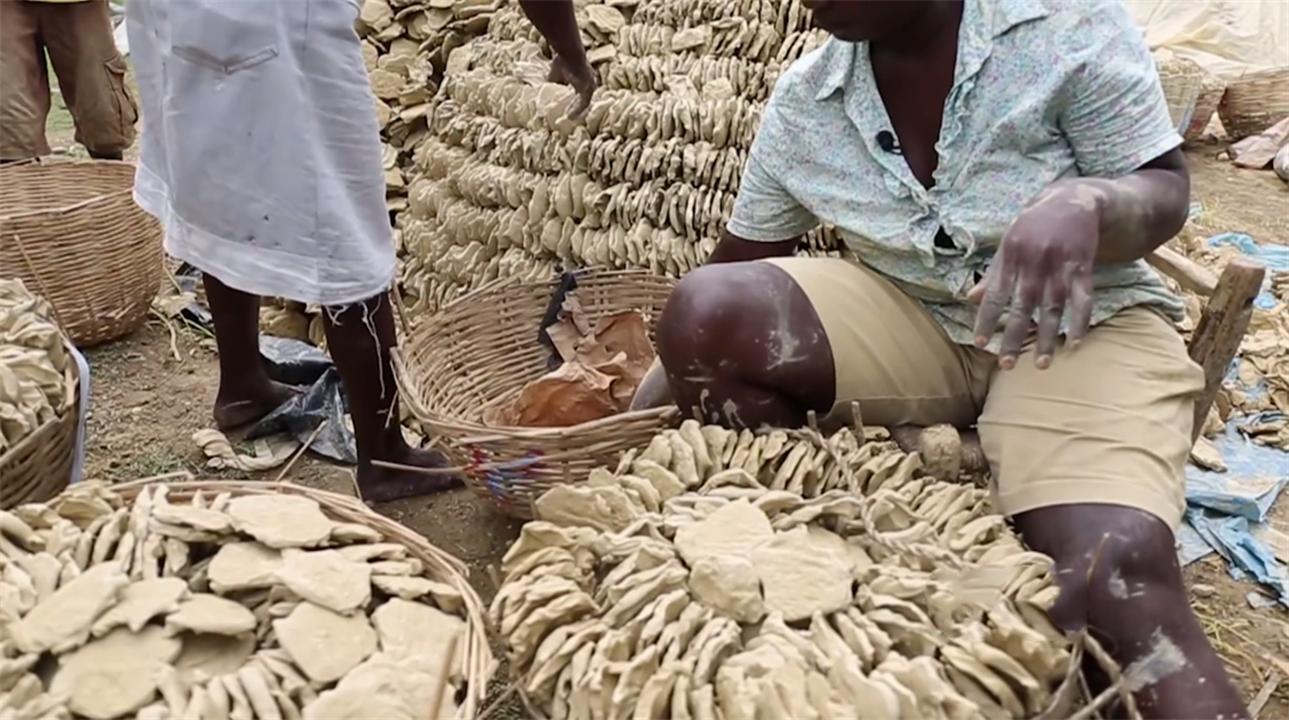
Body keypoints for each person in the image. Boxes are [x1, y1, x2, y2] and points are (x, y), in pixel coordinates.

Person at [637, 0, 1247, 716]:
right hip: (914, 319)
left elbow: (1164, 192)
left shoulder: (1062, 28)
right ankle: (832, 554)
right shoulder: (808, 102)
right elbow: (734, 266)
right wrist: (638, 402)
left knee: (1108, 575)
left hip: (1078, 328)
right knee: (711, 314)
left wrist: (1089, 205)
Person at [125, 0, 594, 502]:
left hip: (178, 15)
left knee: (224, 183)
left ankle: (242, 385)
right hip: (279, 25)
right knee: (344, 231)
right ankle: (385, 457)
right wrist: (570, 53)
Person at [0, 0, 136, 162]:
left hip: (82, 4)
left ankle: (111, 181)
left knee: (102, 113)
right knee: (10, 123)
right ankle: (21, 185)